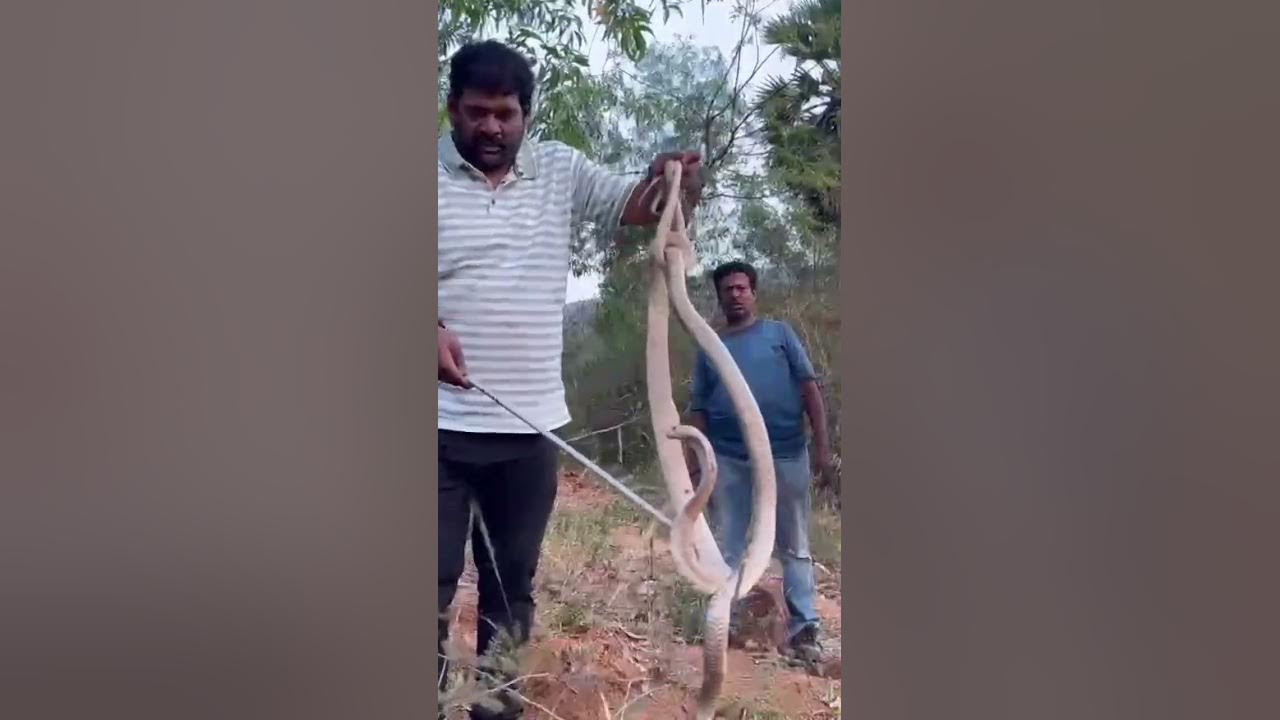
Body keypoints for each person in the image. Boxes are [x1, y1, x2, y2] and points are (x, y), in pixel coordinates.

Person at [436, 40, 702, 719]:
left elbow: (642, 206)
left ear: (527, 115)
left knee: (510, 589)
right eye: (476, 113)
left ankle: (496, 710)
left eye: (505, 114)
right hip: (435, 431)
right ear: (451, 111)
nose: (490, 128)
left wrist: (676, 180)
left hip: (528, 432)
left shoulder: (560, 169)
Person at [686, 260, 832, 664]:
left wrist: (822, 450)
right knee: (728, 542)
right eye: (728, 289)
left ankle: (805, 629)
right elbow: (697, 408)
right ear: (720, 297)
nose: (735, 294)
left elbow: (810, 391)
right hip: (730, 460)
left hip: (786, 456)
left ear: (753, 293)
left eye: (741, 288)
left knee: (795, 545)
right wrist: (693, 464)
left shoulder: (780, 335)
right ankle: (724, 622)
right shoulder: (710, 346)